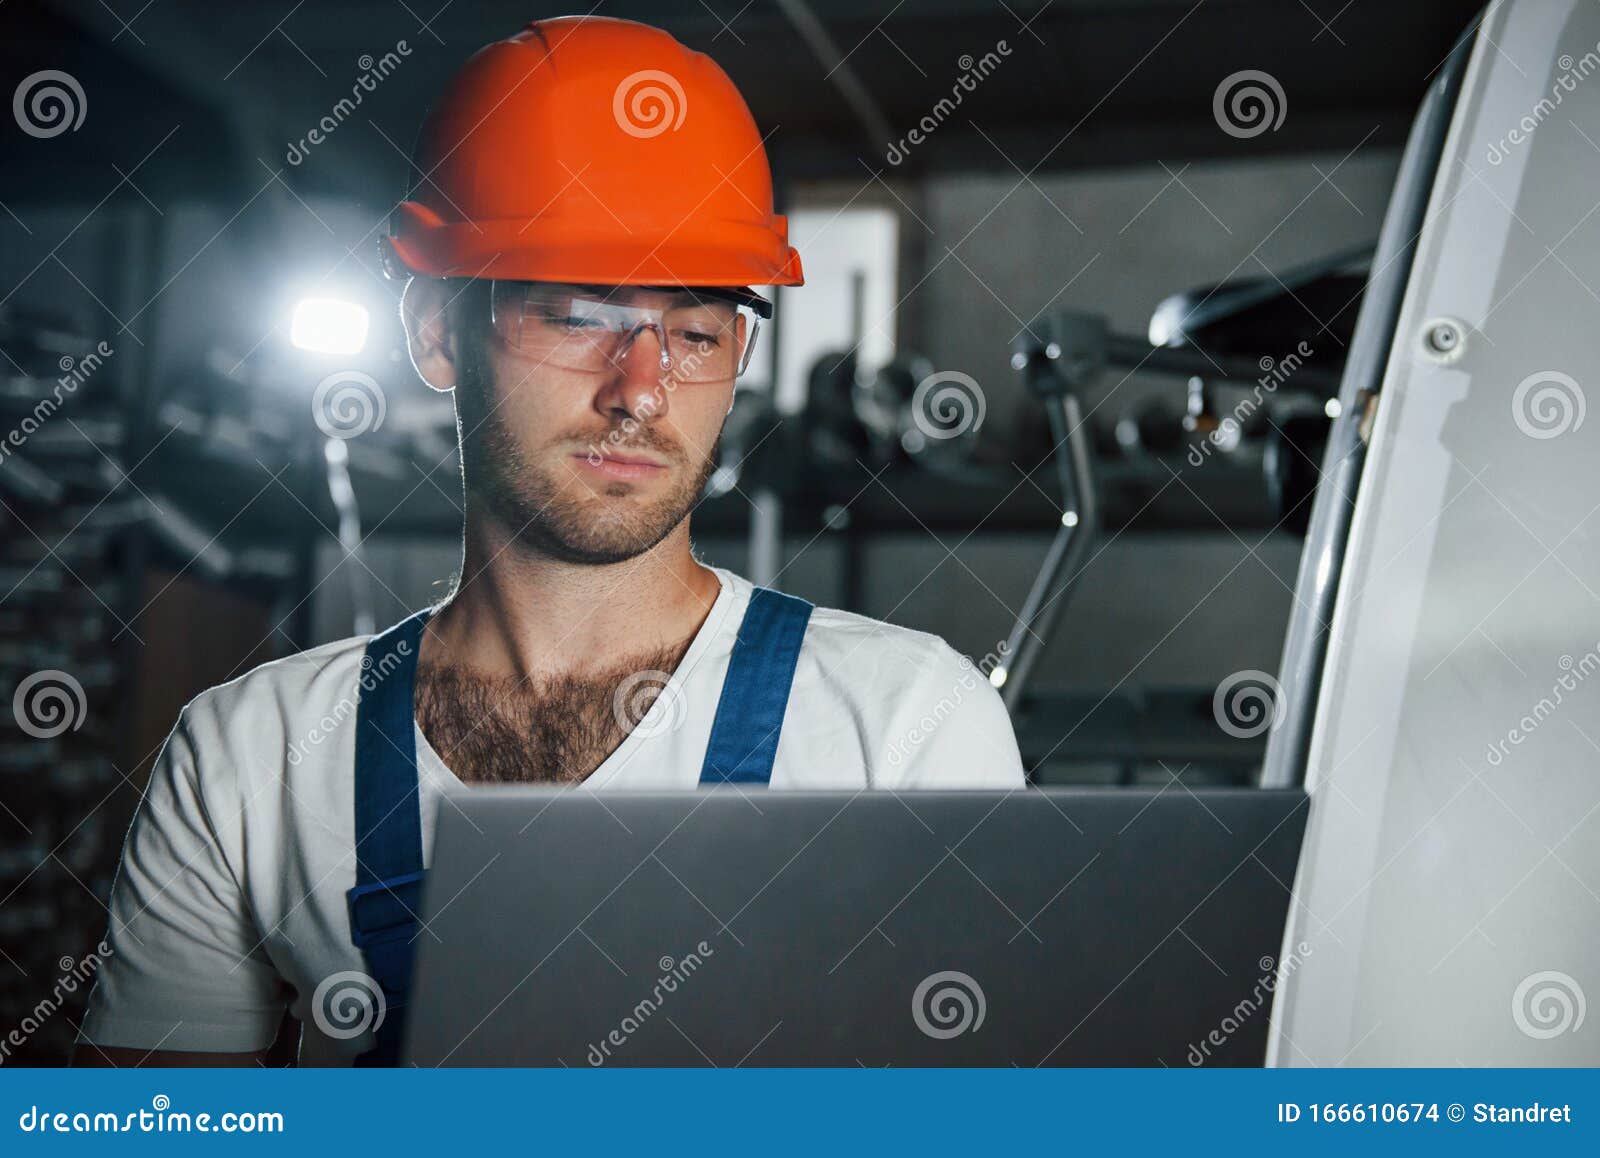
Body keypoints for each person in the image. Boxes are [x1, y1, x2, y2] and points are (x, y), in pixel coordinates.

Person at [77, 15, 1023, 1067]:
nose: (641, 391)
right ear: (437, 332)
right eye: (579, 315)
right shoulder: (249, 757)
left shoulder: (904, 728)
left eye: (696, 333)